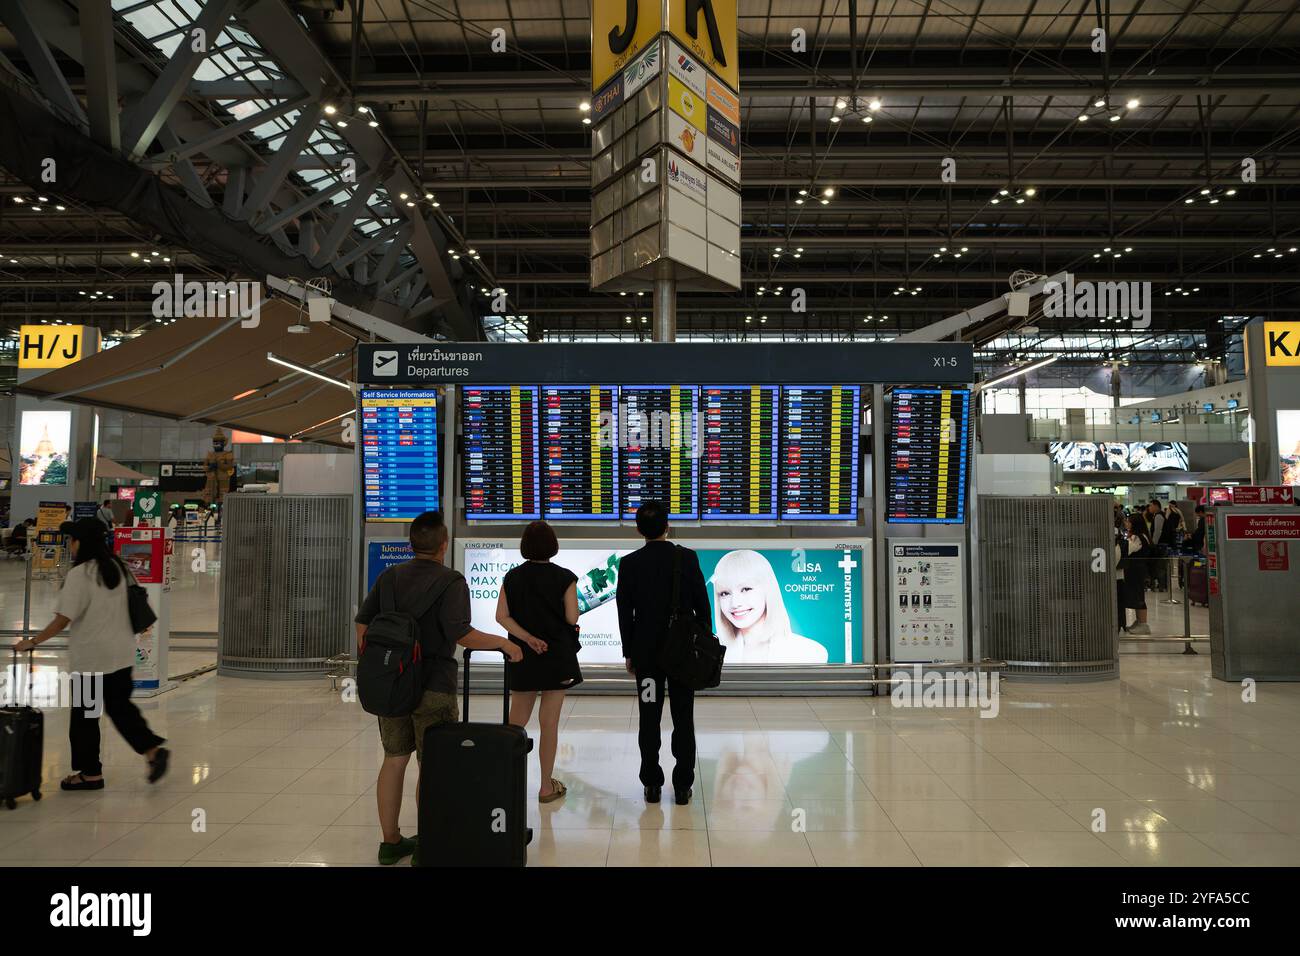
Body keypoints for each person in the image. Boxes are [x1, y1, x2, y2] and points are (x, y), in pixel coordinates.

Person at [354, 510, 522, 866]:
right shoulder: (451, 581)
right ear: (443, 546)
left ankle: (390, 842)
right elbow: (462, 633)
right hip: (433, 684)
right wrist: (504, 644)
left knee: (394, 759)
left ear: (411, 544)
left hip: (393, 685)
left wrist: (383, 664)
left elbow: (363, 626)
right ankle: (428, 844)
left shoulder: (389, 577)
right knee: (432, 767)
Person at [14, 518, 169, 790]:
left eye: (71, 540)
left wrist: (33, 641)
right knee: (121, 710)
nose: (70, 546)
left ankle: (90, 773)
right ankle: (152, 749)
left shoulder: (80, 574)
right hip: (120, 655)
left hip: (91, 661)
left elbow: (63, 619)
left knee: (85, 717)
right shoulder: (118, 567)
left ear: (80, 542)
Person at [615, 500, 711, 806]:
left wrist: (629, 651)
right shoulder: (687, 558)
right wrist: (702, 646)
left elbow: (624, 612)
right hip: (683, 655)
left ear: (639, 530)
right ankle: (682, 785)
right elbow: (703, 607)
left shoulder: (630, 564)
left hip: (646, 657)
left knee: (649, 718)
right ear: (668, 526)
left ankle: (652, 784)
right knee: (684, 718)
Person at [495, 520, 581, 804]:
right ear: (553, 546)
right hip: (557, 655)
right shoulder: (565, 577)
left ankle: (504, 780)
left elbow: (502, 616)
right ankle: (546, 786)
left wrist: (528, 638)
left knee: (516, 720)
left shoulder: (512, 577)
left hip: (523, 654)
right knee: (549, 722)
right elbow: (572, 618)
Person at [710, 549, 828, 663]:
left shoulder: (811, 653)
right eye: (725, 593)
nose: (735, 603)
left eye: (746, 589)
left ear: (768, 589)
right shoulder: (707, 652)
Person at [1117, 513, 1153, 634]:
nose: (1126, 523)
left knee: (1138, 596)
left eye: (1129, 521)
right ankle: (1139, 621)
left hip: (1136, 570)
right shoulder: (1143, 535)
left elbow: (1128, 549)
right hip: (1139, 569)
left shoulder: (1137, 537)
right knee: (1138, 594)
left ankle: (1143, 624)